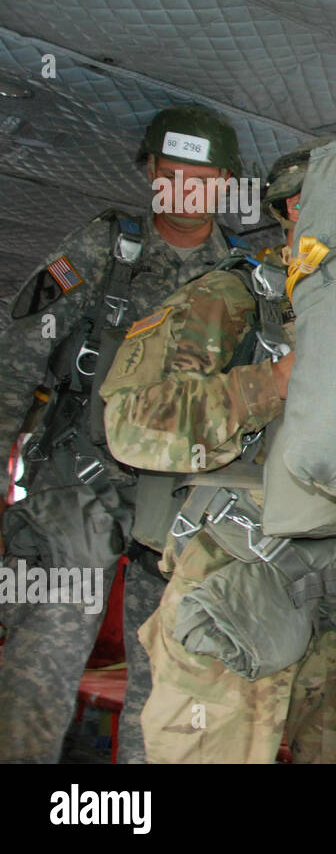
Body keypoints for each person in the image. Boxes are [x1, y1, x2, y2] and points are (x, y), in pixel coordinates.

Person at [98, 142, 336, 764]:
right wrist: (276, 382)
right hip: (240, 574)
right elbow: (131, 424)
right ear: (295, 209)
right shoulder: (236, 298)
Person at [0, 103, 249, 763]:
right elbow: (20, 358)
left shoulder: (243, 284)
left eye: (204, 177)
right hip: (75, 486)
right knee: (43, 658)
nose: (187, 190)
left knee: (164, 678)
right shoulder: (108, 248)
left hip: (175, 507)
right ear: (150, 174)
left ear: (226, 183)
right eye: (173, 173)